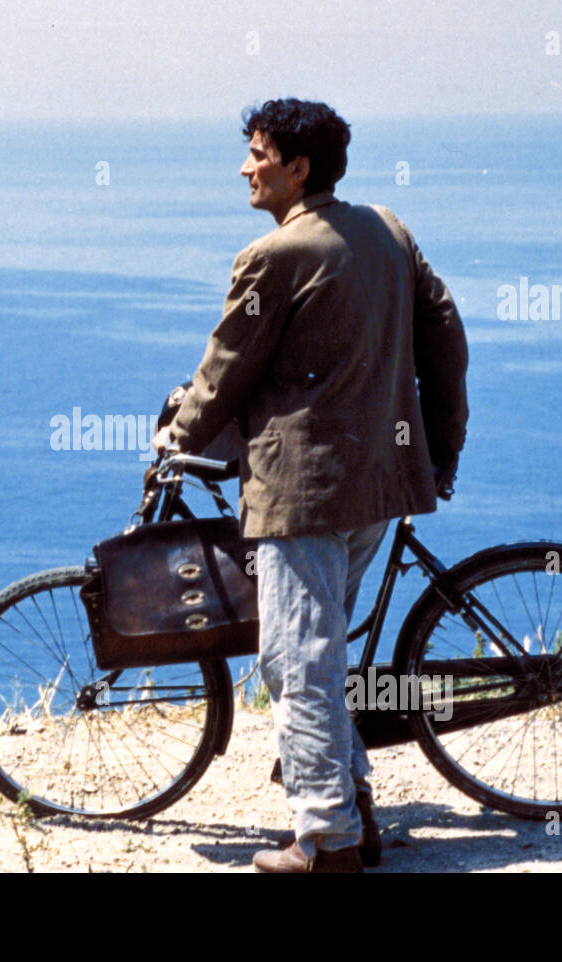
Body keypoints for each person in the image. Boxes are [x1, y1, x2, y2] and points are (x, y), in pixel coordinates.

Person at [153, 98, 468, 872]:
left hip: (307, 491)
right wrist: (441, 449)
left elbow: (226, 370)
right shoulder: (387, 230)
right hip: (383, 484)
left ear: (298, 168)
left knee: (298, 660)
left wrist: (178, 436)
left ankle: (325, 840)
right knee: (318, 651)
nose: (245, 166)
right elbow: (447, 339)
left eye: (258, 152)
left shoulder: (274, 256)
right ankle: (352, 805)